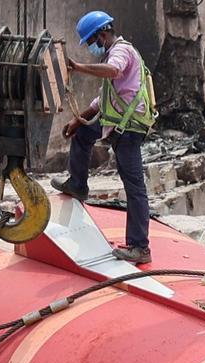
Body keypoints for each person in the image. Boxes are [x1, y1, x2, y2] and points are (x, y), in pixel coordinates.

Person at [52, 10, 157, 265]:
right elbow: (105, 98)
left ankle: (140, 246)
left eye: (91, 42)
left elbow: (112, 71)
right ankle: (78, 184)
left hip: (128, 127)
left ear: (102, 34)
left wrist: (77, 67)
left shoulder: (121, 52)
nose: (91, 47)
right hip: (116, 120)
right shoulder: (114, 53)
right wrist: (80, 119)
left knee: (134, 188)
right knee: (83, 133)